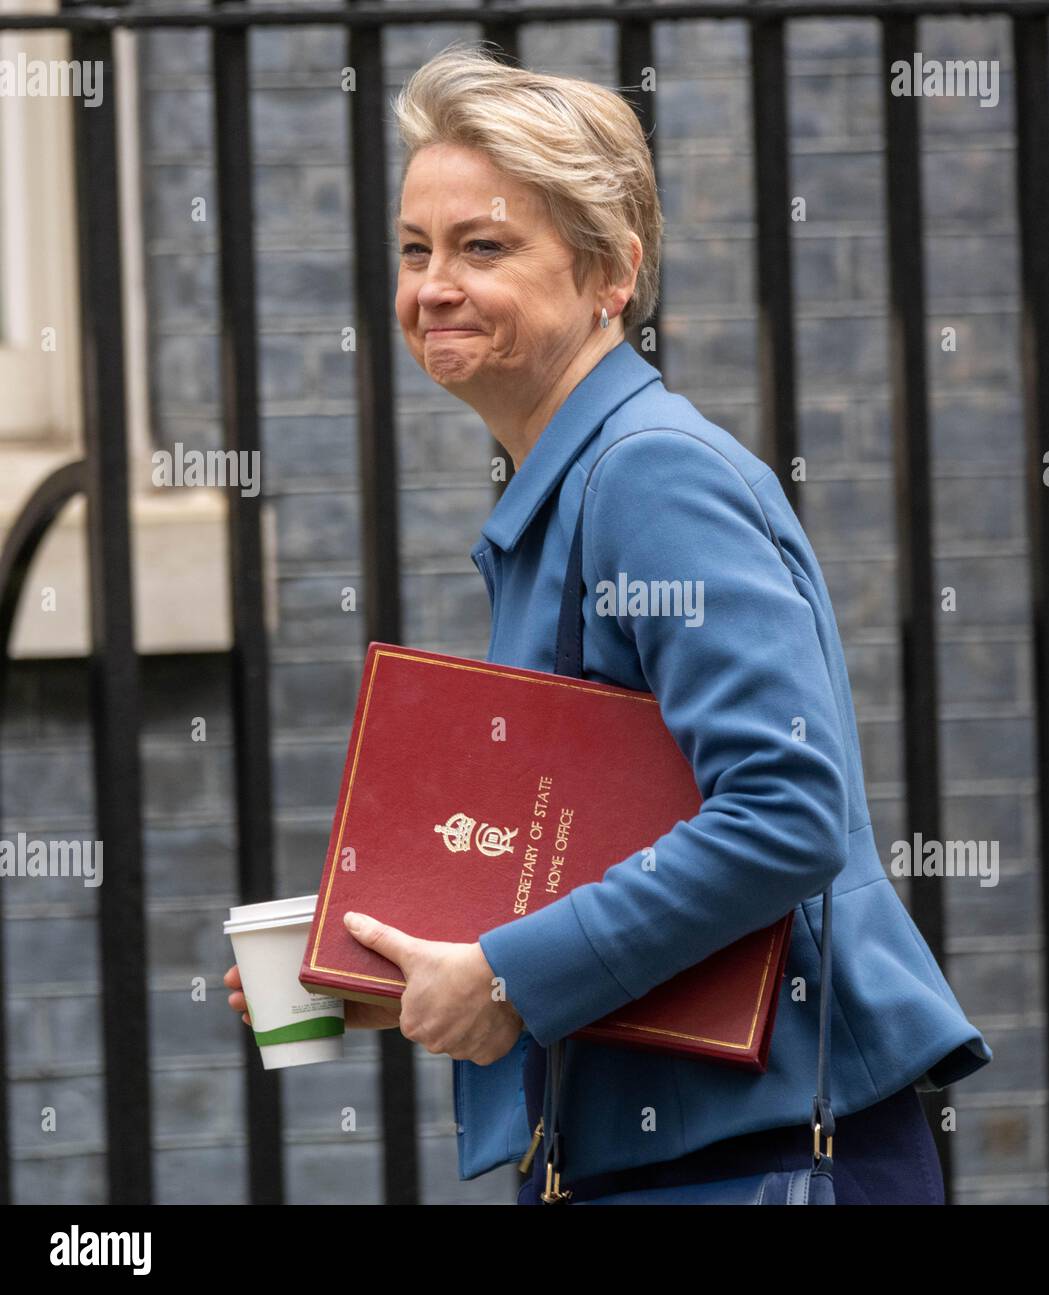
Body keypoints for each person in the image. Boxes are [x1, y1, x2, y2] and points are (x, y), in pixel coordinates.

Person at [226, 40, 992, 1205]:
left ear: (609, 274)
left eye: (484, 246)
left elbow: (788, 812)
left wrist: (506, 978)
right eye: (415, 248)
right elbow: (607, 838)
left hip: (762, 1164)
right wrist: (400, 969)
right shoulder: (574, 489)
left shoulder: (646, 476)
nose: (434, 284)